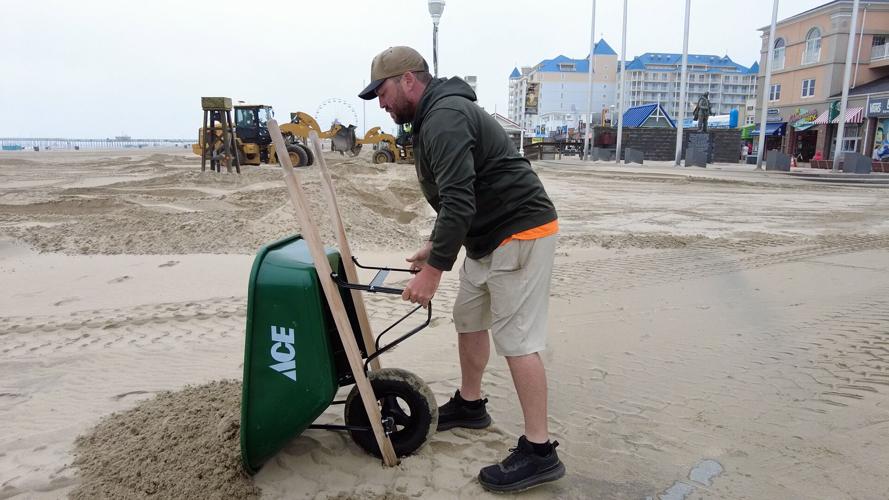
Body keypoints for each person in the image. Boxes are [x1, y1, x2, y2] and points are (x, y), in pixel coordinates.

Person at [359, 46, 564, 493]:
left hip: (520, 231)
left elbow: (460, 199)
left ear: (409, 80)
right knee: (469, 318)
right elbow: (462, 193)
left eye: (383, 91)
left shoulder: (445, 116)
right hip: (486, 235)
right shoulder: (434, 116)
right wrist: (434, 247)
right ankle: (471, 406)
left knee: (517, 340)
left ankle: (540, 450)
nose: (381, 102)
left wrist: (433, 270)